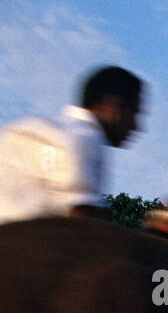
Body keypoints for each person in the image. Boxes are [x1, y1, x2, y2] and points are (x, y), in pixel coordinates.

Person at [0, 66, 146, 223]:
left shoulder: (22, 128)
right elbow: (85, 228)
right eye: (134, 113)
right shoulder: (84, 138)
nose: (136, 127)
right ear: (111, 105)